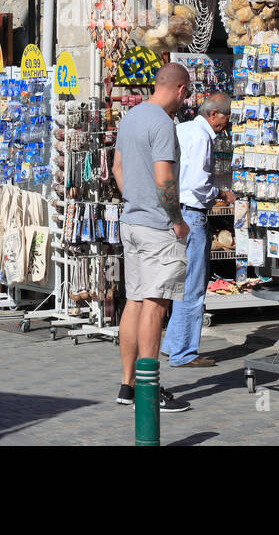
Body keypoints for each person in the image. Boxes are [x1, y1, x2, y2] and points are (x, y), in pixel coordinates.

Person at [112, 61, 192, 413]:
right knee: (155, 305)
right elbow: (164, 178)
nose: (185, 100)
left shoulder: (130, 117)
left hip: (130, 221)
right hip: (157, 227)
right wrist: (176, 219)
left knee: (135, 300)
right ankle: (149, 389)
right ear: (179, 89)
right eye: (185, 94)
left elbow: (116, 167)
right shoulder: (163, 123)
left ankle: (127, 386)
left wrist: (135, 197)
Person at [162, 92, 234, 367]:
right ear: (213, 114)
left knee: (181, 283)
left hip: (177, 211)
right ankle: (183, 352)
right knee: (192, 285)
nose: (226, 125)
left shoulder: (183, 128)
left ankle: (173, 345)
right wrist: (222, 193)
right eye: (225, 118)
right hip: (192, 214)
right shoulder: (202, 136)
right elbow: (198, 184)